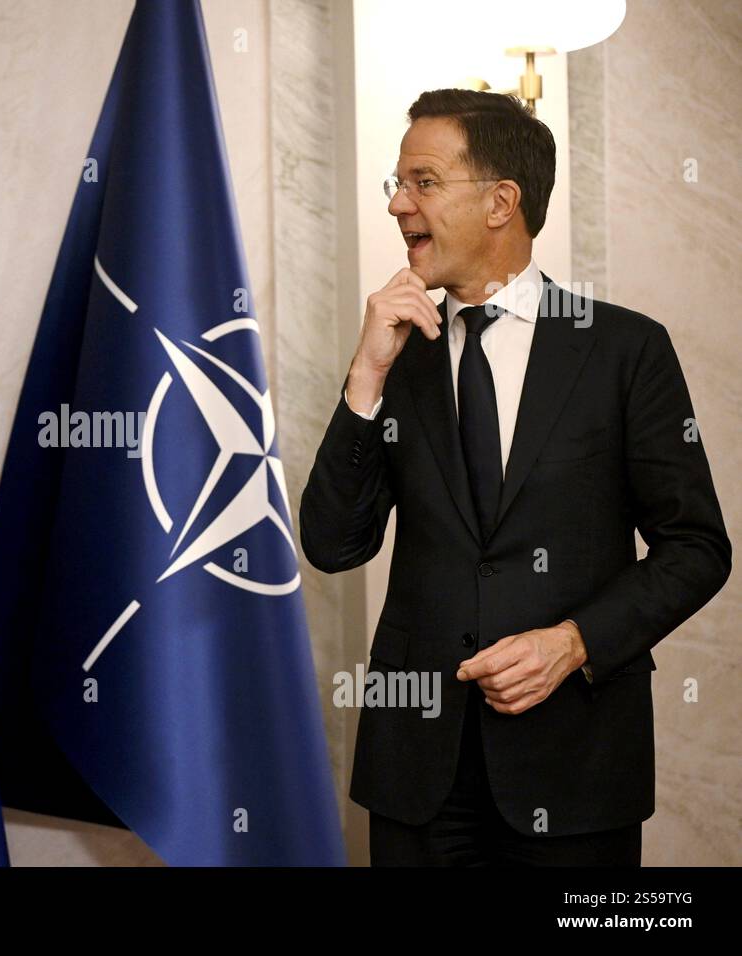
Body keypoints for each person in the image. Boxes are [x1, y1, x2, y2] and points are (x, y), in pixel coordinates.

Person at [300, 90, 730, 865]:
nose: (398, 204)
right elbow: (333, 544)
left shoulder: (625, 351)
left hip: (578, 770)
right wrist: (366, 374)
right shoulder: (398, 356)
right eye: (397, 184)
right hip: (417, 778)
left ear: (501, 202)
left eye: (424, 182)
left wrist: (574, 643)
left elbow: (697, 548)